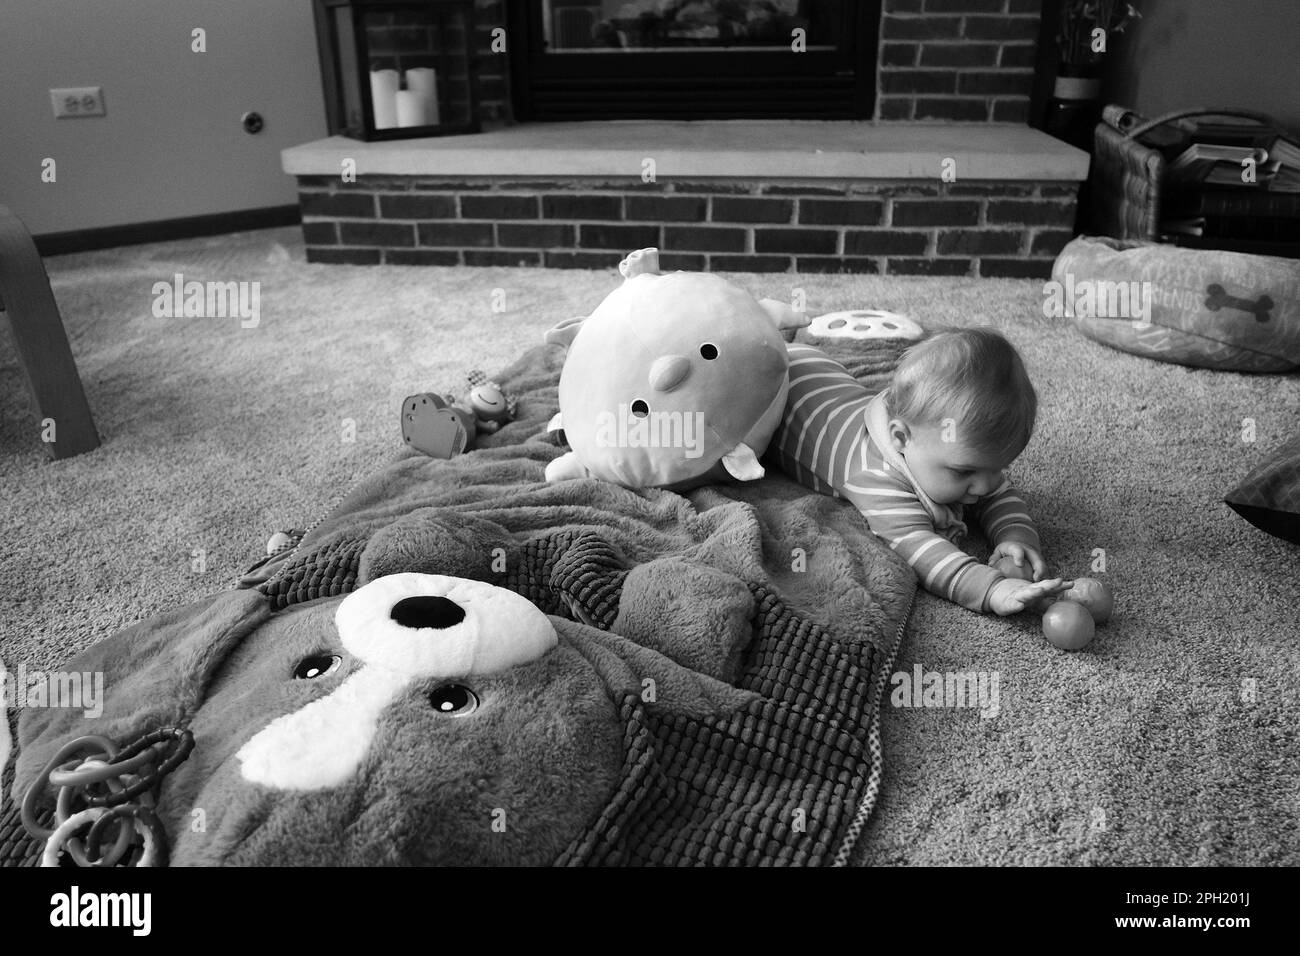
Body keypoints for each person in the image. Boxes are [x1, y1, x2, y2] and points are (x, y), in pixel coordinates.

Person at [768, 326, 1072, 615]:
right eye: (963, 472)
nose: (985, 487)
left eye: (999, 468)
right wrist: (993, 590)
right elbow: (918, 548)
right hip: (777, 386)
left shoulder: (946, 450)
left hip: (821, 370)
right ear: (900, 438)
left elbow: (1000, 496)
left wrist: (1016, 537)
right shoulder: (873, 476)